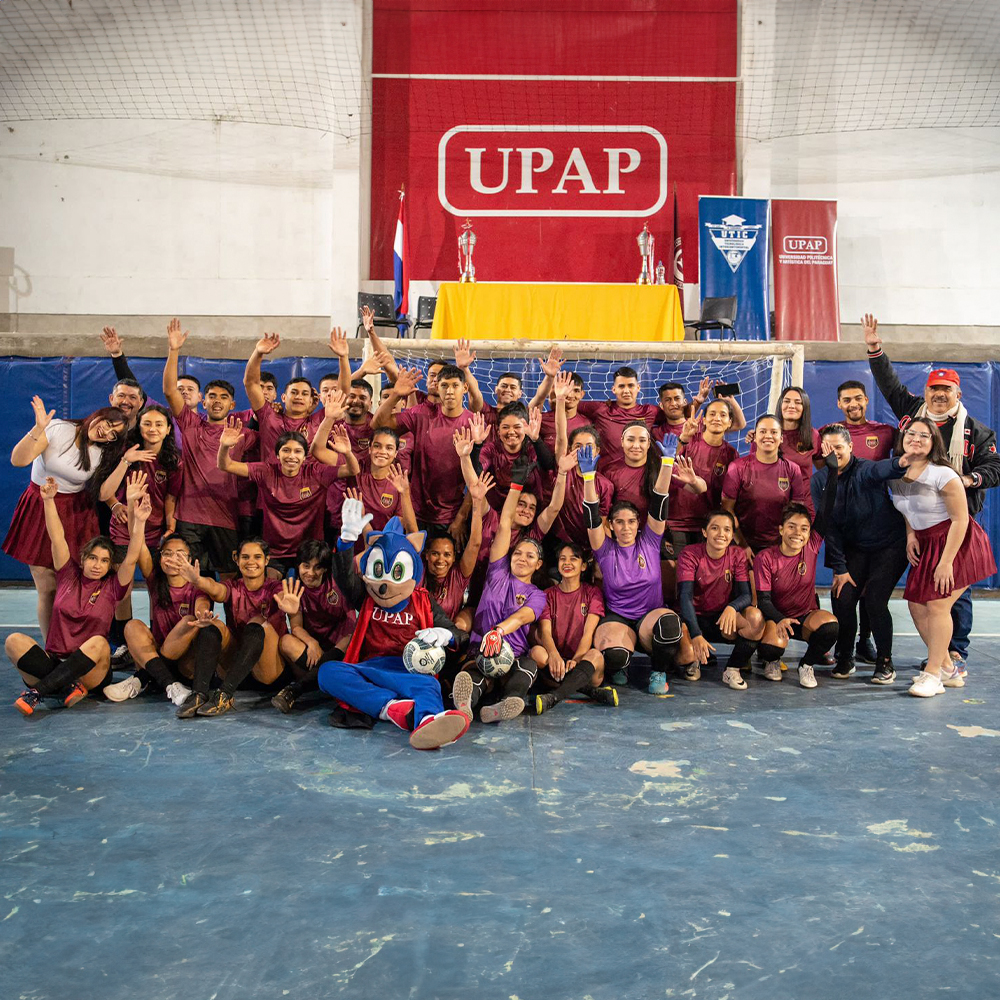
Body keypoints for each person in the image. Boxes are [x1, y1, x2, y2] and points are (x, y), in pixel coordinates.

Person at [864, 313, 1000, 675]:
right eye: (933, 390)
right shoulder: (913, 416)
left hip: (956, 520)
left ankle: (954, 655)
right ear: (925, 394)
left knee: (955, 594)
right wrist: (875, 349)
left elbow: (994, 469)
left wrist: (966, 481)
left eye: (946, 390)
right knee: (923, 599)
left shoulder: (976, 431)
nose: (939, 395)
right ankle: (939, 658)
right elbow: (890, 384)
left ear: (958, 393)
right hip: (918, 521)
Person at [7, 477, 147, 716]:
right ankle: (65, 687)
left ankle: (39, 692)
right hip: (54, 662)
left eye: (104, 561)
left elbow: (132, 556)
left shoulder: (114, 586)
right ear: (83, 559)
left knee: (99, 643)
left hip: (89, 671)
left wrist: (139, 520)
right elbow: (57, 537)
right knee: (14, 641)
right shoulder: (67, 574)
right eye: (92, 558)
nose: (97, 565)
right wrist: (48, 501)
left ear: (110, 566)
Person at [886, 418, 996, 697]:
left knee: (937, 605)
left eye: (925, 435)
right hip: (925, 542)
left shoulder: (943, 474)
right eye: (912, 434)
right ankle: (947, 666)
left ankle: (933, 674)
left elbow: (961, 520)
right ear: (903, 438)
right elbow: (906, 508)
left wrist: (946, 562)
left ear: (934, 442)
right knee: (915, 605)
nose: (916, 439)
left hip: (957, 542)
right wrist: (911, 535)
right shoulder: (896, 472)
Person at [3, 396, 126, 637]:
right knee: (47, 587)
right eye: (108, 423)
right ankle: (52, 649)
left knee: (76, 583)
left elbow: (101, 491)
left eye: (113, 434)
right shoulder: (59, 428)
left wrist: (115, 503)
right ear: (99, 414)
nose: (106, 431)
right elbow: (18, 460)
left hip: (76, 513)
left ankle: (77, 644)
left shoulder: (104, 454)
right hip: (40, 506)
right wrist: (38, 429)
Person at [584, 435, 691, 696]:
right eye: (619, 522)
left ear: (638, 524)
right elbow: (591, 514)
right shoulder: (604, 549)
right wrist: (588, 478)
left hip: (649, 616)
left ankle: (658, 671)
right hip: (618, 618)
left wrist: (667, 461)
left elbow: (660, 502)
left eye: (631, 521)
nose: (626, 527)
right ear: (611, 525)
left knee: (670, 625)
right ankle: (622, 664)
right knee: (616, 655)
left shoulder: (650, 542)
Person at [812, 424, 909, 684]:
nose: (834, 453)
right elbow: (828, 527)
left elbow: (886, 468)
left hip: (890, 544)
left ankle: (885, 662)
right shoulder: (820, 480)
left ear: (851, 447)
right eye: (828, 448)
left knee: (875, 599)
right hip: (855, 548)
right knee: (842, 596)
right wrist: (840, 568)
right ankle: (845, 655)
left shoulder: (865, 469)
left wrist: (903, 460)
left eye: (839, 447)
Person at [449, 474, 547, 725]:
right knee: (476, 673)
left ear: (538, 565)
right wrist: (516, 485)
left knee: (528, 666)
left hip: (511, 654)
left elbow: (523, 616)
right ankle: (465, 706)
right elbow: (504, 524)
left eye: (530, 556)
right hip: (482, 649)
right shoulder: (497, 570)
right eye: (518, 552)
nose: (522, 558)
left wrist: (499, 632)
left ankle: (506, 703)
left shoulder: (537, 595)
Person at [162, 320, 257, 576]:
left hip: (226, 517)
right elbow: (170, 391)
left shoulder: (245, 435)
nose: (217, 401)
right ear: (203, 402)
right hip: (189, 518)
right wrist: (174, 351)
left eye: (223, 397)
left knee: (228, 578)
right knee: (188, 579)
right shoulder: (191, 425)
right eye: (212, 396)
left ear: (233, 404)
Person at [106, 513, 229, 707]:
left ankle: (142, 678)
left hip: (186, 665)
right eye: (167, 553)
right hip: (155, 656)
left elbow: (201, 608)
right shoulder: (155, 580)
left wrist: (203, 616)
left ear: (190, 559)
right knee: (131, 626)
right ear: (160, 558)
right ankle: (170, 685)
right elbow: (138, 545)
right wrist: (137, 518)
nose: (173, 558)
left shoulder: (198, 586)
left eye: (180, 554)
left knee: (188, 621)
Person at [217, 416, 357, 577]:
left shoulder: (317, 472)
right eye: (286, 450)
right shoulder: (266, 472)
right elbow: (225, 465)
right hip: (276, 551)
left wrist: (347, 453)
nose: (291, 456)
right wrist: (224, 446)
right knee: (271, 590)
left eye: (298, 451)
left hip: (309, 550)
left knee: (308, 593)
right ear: (277, 455)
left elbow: (352, 470)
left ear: (305, 457)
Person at [175, 539, 300, 716]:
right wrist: (197, 580)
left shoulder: (274, 587)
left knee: (257, 622)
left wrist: (290, 607)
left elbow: (282, 595)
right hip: (237, 669)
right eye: (245, 557)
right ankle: (199, 693)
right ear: (237, 559)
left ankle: (225, 695)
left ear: (266, 560)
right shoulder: (233, 587)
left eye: (257, 557)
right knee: (213, 625)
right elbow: (216, 589)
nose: (250, 562)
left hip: (267, 674)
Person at [821, 380, 897, 663]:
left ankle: (865, 641)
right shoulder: (826, 434)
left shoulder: (886, 433)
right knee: (844, 588)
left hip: (875, 520)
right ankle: (843, 646)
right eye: (846, 400)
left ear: (866, 400)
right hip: (843, 524)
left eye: (858, 398)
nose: (853, 404)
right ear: (839, 404)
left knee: (871, 592)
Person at [99, 404, 184, 658]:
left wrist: (170, 525)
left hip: (153, 533)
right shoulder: (124, 453)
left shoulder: (173, 461)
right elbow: (105, 491)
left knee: (155, 588)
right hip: (123, 531)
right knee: (121, 588)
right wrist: (115, 505)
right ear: (140, 426)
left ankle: (154, 636)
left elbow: (170, 496)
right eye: (147, 423)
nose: (153, 429)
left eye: (159, 424)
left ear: (168, 429)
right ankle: (123, 640)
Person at [753, 455, 841, 688]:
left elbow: (826, 509)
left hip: (805, 616)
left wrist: (833, 471)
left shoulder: (811, 545)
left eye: (804, 528)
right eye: (791, 527)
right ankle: (770, 660)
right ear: (781, 529)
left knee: (831, 626)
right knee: (770, 646)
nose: (797, 533)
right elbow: (763, 601)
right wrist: (780, 619)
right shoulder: (765, 558)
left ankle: (806, 665)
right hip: (777, 618)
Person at [372, 363, 477, 530]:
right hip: (416, 513)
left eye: (455, 385)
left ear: (465, 388)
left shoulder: (474, 423)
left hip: (451, 518)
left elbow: (477, 478)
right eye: (444, 385)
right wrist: (396, 395)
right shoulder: (421, 414)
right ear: (437, 387)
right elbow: (377, 424)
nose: (449, 391)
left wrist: (461, 518)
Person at [675, 510, 765, 690]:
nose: (721, 534)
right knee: (686, 655)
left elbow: (746, 595)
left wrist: (732, 607)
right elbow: (684, 596)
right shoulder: (690, 554)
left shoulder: (737, 555)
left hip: (722, 618)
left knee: (754, 618)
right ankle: (692, 660)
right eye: (715, 528)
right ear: (704, 532)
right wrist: (696, 633)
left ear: (732, 534)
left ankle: (732, 668)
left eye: (726, 529)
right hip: (693, 618)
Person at [270, 540, 356, 713]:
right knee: (286, 641)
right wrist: (311, 642)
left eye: (317, 567)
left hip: (339, 652)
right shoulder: (296, 589)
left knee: (350, 639)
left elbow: (350, 627)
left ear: (325, 568)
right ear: (299, 565)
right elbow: (296, 627)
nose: (310, 573)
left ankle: (296, 689)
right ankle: (321, 682)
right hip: (312, 654)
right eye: (306, 566)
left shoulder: (338, 583)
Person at [530, 542, 615, 714]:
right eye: (563, 559)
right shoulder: (546, 594)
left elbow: (588, 633)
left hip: (582, 660)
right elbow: (545, 632)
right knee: (536, 652)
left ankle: (554, 697)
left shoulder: (592, 593)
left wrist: (576, 660)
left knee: (596, 655)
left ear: (583, 566)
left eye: (573, 559)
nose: (567, 563)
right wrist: (554, 655)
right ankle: (587, 691)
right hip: (556, 665)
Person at [722, 413, 811, 559]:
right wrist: (742, 545)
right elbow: (727, 510)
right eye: (763, 431)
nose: (768, 436)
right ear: (755, 437)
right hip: (743, 544)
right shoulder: (737, 467)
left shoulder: (792, 469)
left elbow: (795, 514)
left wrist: (784, 546)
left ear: (781, 438)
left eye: (774, 432)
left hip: (778, 546)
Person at [422, 470, 493, 630]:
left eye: (447, 554)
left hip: (448, 640)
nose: (441, 560)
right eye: (435, 554)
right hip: (417, 636)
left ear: (454, 557)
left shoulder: (458, 575)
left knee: (463, 623)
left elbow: (475, 543)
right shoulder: (420, 571)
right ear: (426, 555)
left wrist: (476, 502)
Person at [668, 399, 738, 559]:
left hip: (709, 526)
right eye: (712, 414)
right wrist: (683, 437)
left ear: (729, 423)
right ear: (704, 420)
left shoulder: (731, 454)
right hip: (678, 523)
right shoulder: (688, 440)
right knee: (678, 577)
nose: (717, 418)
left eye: (723, 415)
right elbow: (667, 461)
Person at [576, 366, 665, 469]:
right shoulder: (601, 409)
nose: (626, 391)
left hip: (640, 475)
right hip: (607, 475)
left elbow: (678, 414)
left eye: (631, 385)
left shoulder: (649, 411)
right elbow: (569, 404)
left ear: (638, 388)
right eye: (622, 386)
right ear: (614, 389)